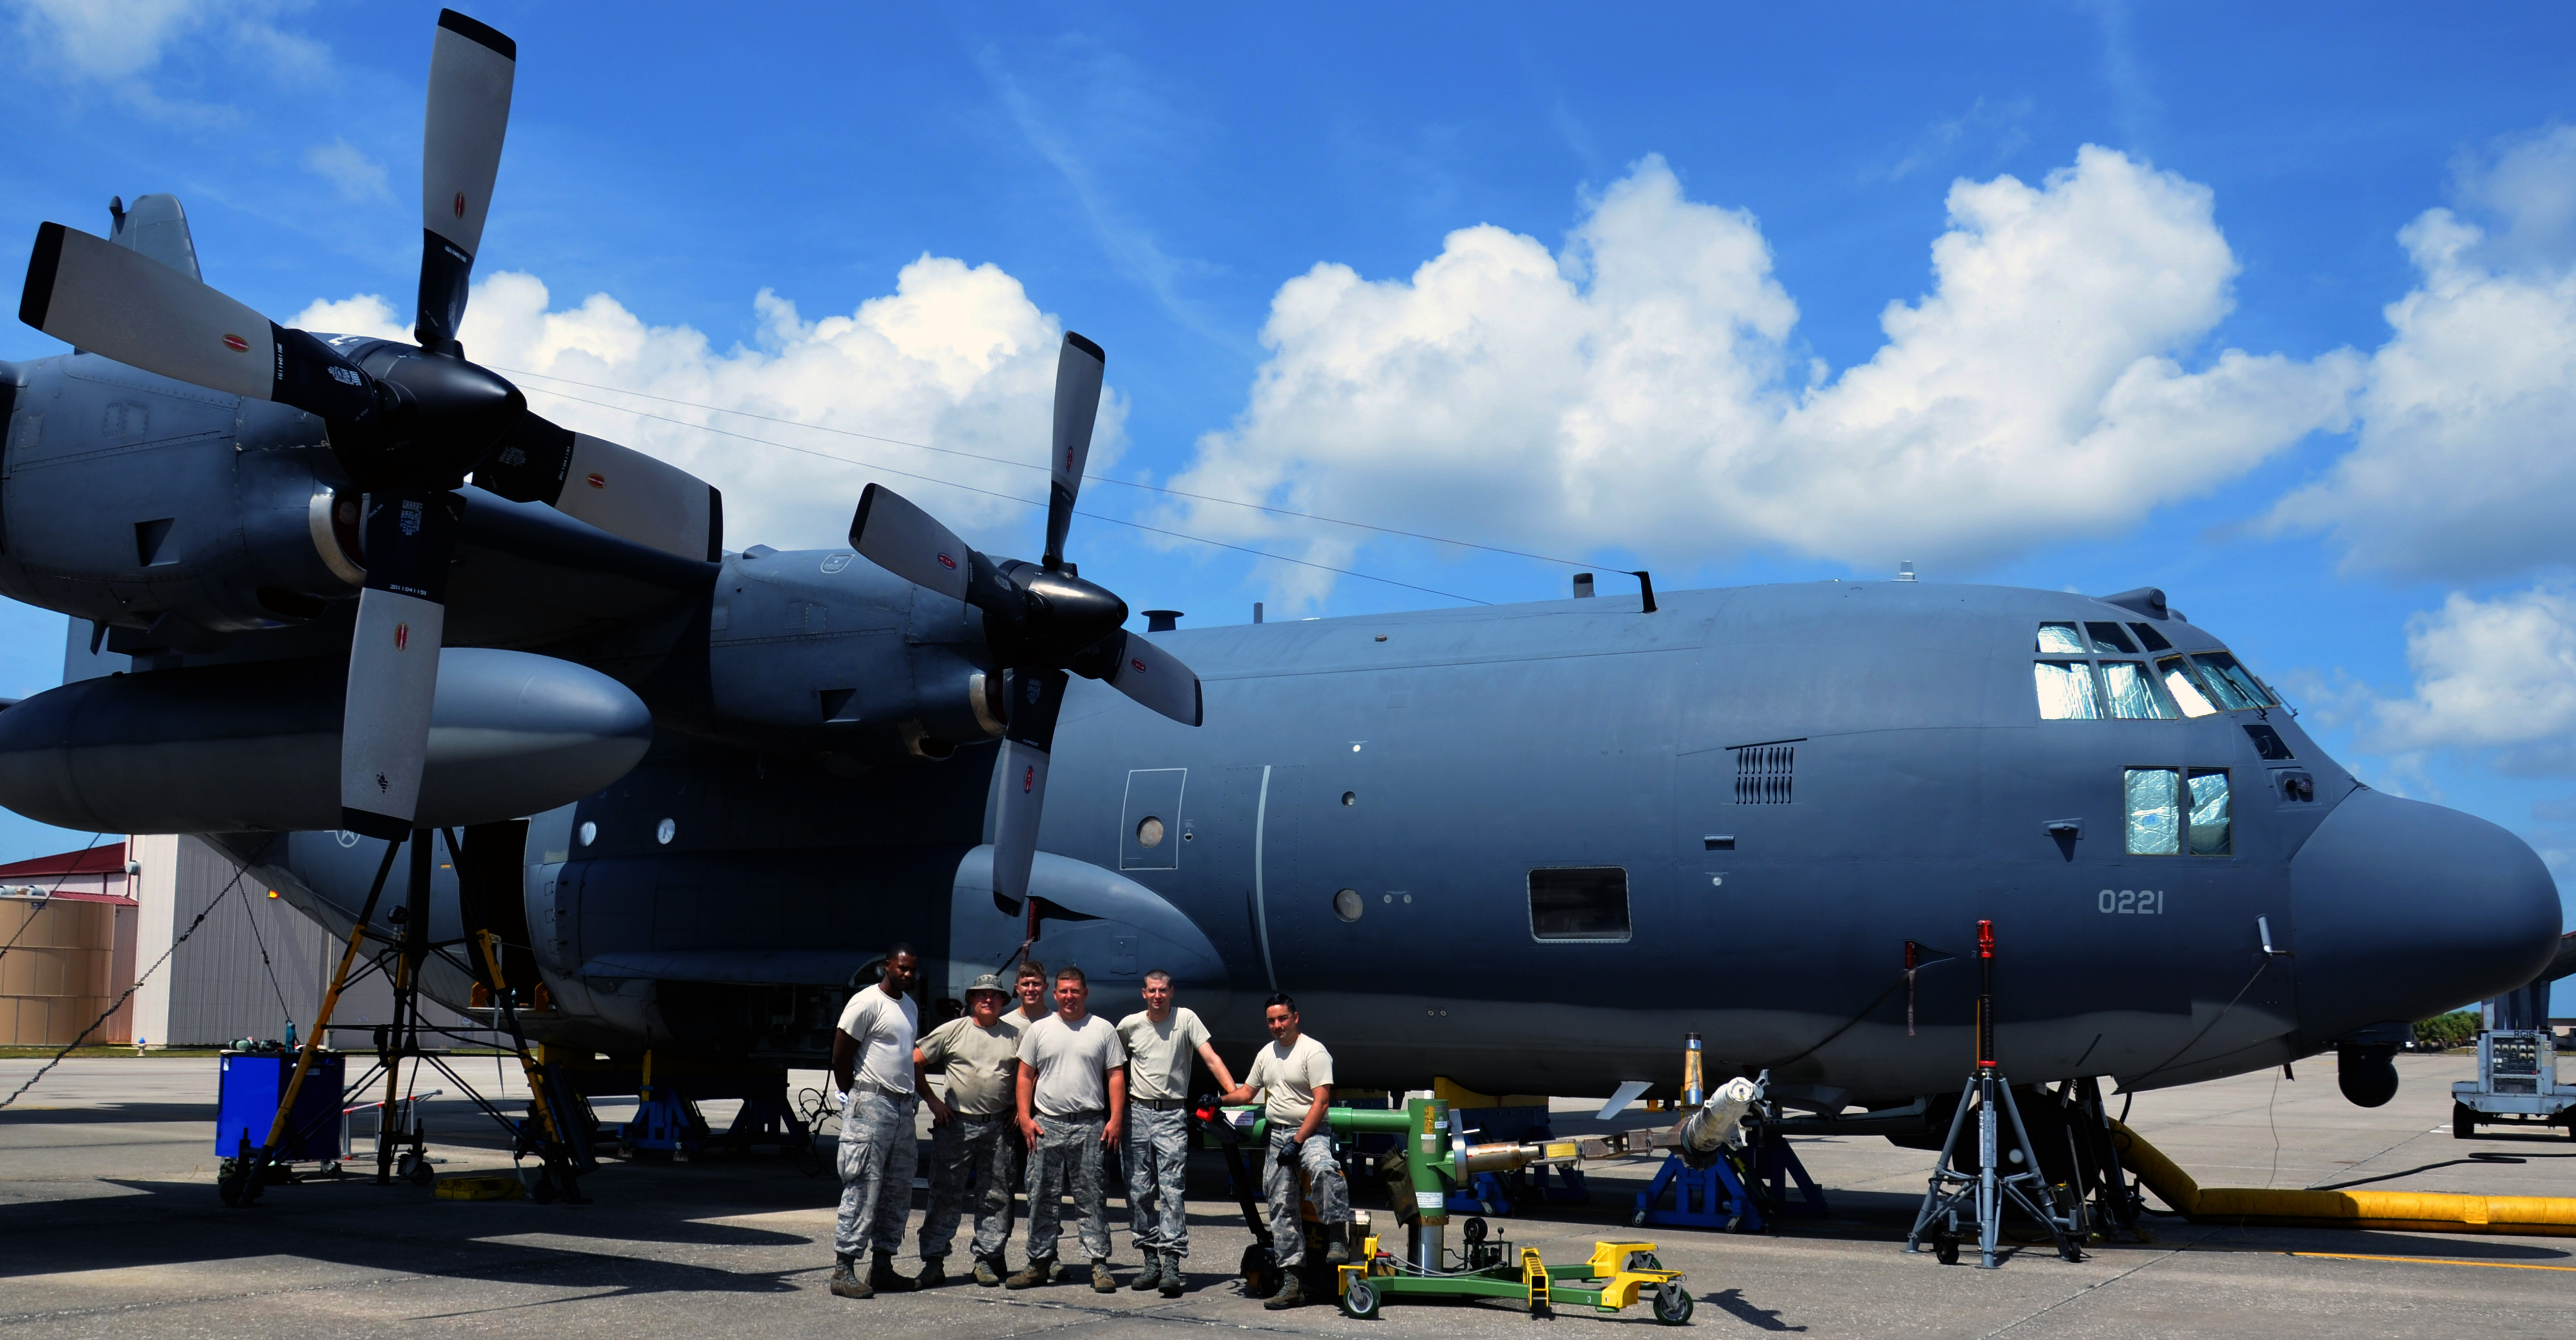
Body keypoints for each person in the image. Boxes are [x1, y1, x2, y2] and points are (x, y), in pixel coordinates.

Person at [1220, 992, 1352, 1310]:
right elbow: (1247, 1093)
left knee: (1324, 1169)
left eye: (1282, 1019)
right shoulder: (1266, 1054)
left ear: (1295, 1018)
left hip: (1311, 1131)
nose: (1277, 1025)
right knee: (1280, 1204)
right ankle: (1292, 1282)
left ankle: (1337, 1235)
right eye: (1271, 1021)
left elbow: (1322, 1102)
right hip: (1278, 1134)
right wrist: (1218, 1101)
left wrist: (1299, 1141)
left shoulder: (1313, 1051)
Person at [1007, 965, 1128, 1292]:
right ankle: (1038, 1262)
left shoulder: (1103, 1029)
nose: (1069, 997)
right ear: (1055, 993)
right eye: (1064, 991)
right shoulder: (1039, 1030)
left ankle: (1099, 1263)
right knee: (1041, 1197)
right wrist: (1025, 1118)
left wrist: (1116, 1119)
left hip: (1089, 1126)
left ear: (1085, 993)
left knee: (1092, 1197)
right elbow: (1025, 1076)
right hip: (1047, 1125)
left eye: (1075, 991)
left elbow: (1116, 1076)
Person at [1115, 970, 1236, 1297]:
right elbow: (1112, 1065)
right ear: (1144, 994)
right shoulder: (1129, 1026)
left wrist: (1235, 1093)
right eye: (1152, 990)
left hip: (1171, 1114)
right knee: (1138, 1190)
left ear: (1172, 992)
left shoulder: (1186, 1019)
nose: (1157, 995)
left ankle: (1171, 1262)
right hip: (1138, 1113)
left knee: (1172, 1191)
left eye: (1163, 990)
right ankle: (1149, 1260)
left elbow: (1211, 1058)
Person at [912, 973, 1024, 1288]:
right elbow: (915, 1061)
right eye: (981, 995)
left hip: (998, 1127)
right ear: (972, 1000)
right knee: (945, 1195)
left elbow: (1031, 1073)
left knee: (996, 1196)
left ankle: (986, 1259)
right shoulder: (953, 1030)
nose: (988, 1000)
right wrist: (933, 1102)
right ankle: (934, 1260)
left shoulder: (1015, 1035)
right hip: (956, 1127)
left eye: (995, 995)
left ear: (1003, 1002)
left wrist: (1021, 1108)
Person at [827, 945, 922, 1300]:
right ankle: (844, 1269)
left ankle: (883, 1266)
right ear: (886, 967)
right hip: (871, 1102)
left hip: (902, 1107)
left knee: (898, 1189)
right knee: (863, 1186)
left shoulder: (909, 1006)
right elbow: (840, 1055)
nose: (907, 975)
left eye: (912, 970)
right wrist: (854, 1096)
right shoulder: (866, 1002)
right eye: (902, 968)